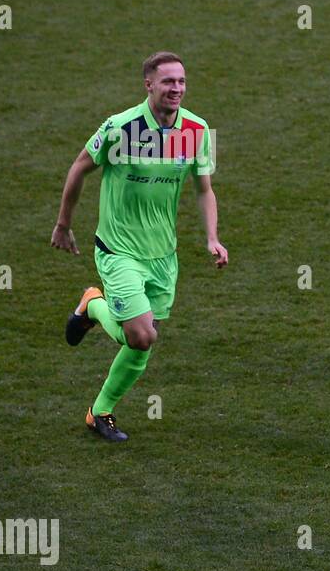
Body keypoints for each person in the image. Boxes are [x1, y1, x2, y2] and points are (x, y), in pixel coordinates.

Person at [52, 51, 227, 442]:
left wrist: (212, 238)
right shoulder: (121, 128)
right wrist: (64, 223)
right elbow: (79, 166)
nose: (176, 88)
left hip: (163, 255)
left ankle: (99, 411)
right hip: (119, 250)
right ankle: (94, 305)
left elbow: (205, 189)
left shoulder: (196, 130)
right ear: (149, 84)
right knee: (142, 336)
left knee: (142, 340)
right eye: (168, 81)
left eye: (181, 81)